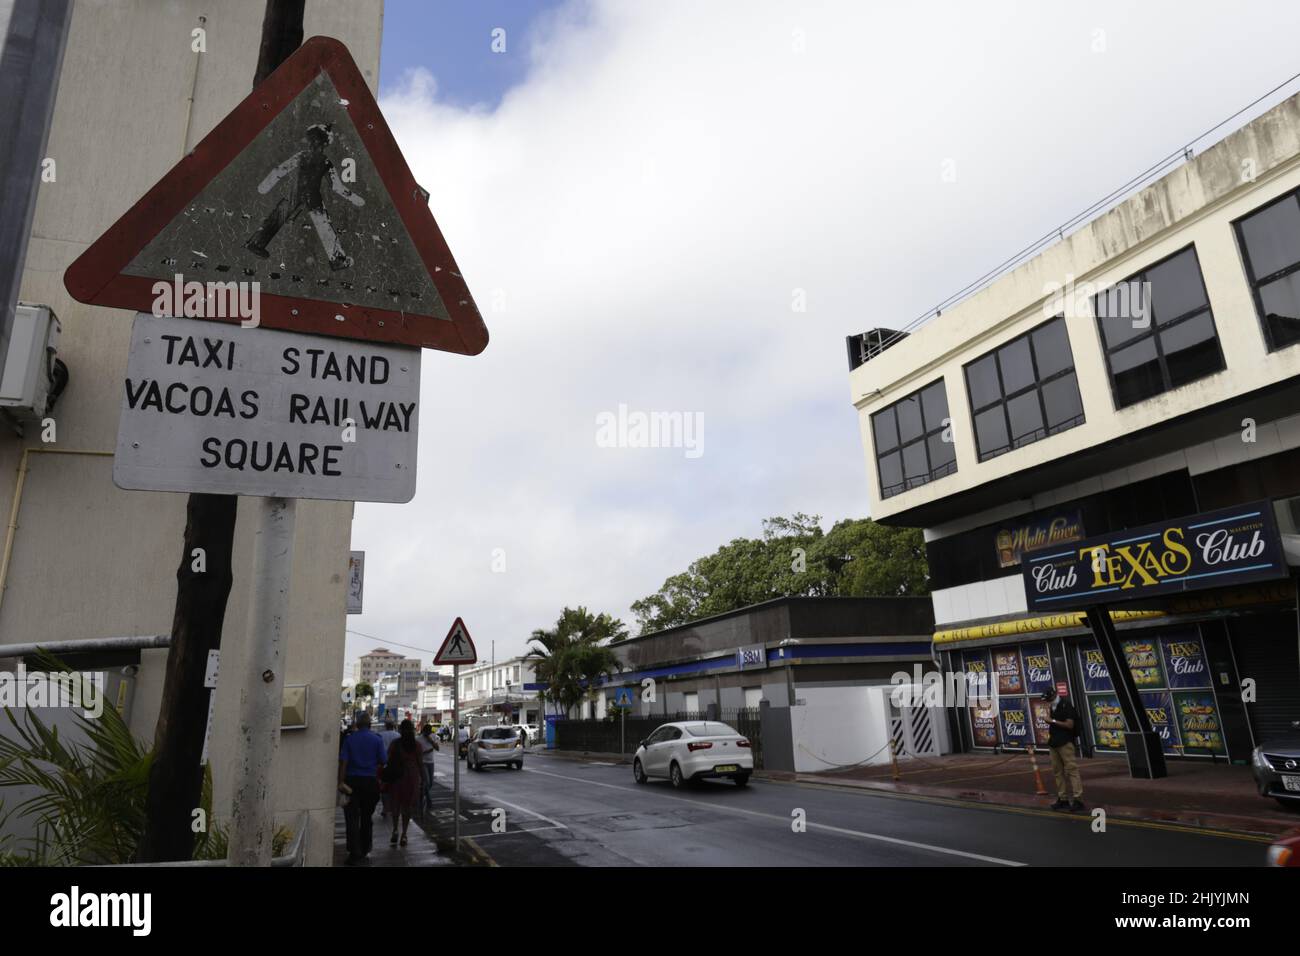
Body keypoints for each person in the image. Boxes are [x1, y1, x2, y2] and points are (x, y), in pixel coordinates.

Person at [338, 712, 386, 866]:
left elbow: (343, 762)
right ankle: (366, 847)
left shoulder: (349, 739)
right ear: (370, 725)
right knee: (366, 817)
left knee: (351, 818)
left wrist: (340, 781)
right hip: (370, 782)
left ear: (357, 725)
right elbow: (383, 760)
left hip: (351, 783)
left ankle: (354, 851)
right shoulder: (377, 740)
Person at [1043, 686, 1085, 811]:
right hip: (1054, 742)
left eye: (1049, 698)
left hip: (1065, 742)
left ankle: (1078, 799)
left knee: (1072, 770)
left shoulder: (1066, 705)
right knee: (1057, 771)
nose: (1047, 701)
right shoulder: (1051, 707)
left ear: (1054, 695)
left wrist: (1052, 720)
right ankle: (1063, 798)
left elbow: (1070, 724)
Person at [384, 719, 423, 847]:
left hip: (397, 778)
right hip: (411, 779)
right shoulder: (416, 745)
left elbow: (387, 759)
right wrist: (423, 780)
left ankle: (395, 829)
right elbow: (420, 764)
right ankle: (404, 834)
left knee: (396, 805)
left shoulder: (395, 744)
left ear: (400, 730)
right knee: (407, 807)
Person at [379, 717, 400, 817]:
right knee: (395, 786)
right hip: (395, 764)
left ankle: (385, 807)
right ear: (393, 726)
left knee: (384, 787)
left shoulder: (381, 735)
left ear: (385, 726)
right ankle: (393, 806)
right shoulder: (398, 735)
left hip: (384, 764)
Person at [418, 722, 439, 811]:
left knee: (430, 783)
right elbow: (418, 753)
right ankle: (429, 800)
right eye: (428, 732)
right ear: (424, 731)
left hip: (431, 762)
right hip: (423, 763)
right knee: (427, 781)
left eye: (430, 732)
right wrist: (427, 751)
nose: (429, 733)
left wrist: (430, 740)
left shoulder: (433, 737)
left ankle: (422, 793)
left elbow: (437, 748)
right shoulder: (418, 739)